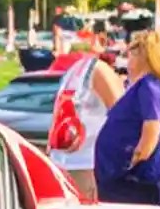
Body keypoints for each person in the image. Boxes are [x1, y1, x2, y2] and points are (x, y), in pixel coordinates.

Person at [93, 31, 160, 204]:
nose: (128, 62)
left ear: (144, 57)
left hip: (133, 179)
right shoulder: (140, 86)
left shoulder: (149, 87)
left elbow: (152, 128)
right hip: (117, 176)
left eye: (132, 56)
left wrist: (132, 161)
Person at [48, 48, 123, 198]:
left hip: (63, 160)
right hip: (88, 162)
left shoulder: (76, 73)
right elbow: (121, 116)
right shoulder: (100, 70)